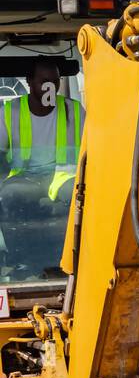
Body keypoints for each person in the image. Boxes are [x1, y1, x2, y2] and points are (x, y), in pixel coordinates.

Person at [0, 59, 84, 278]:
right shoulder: (10, 111)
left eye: (55, 81)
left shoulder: (73, 110)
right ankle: (21, 262)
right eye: (44, 81)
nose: (50, 86)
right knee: (10, 196)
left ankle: (73, 261)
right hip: (24, 176)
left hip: (62, 175)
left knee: (81, 196)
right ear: (30, 82)